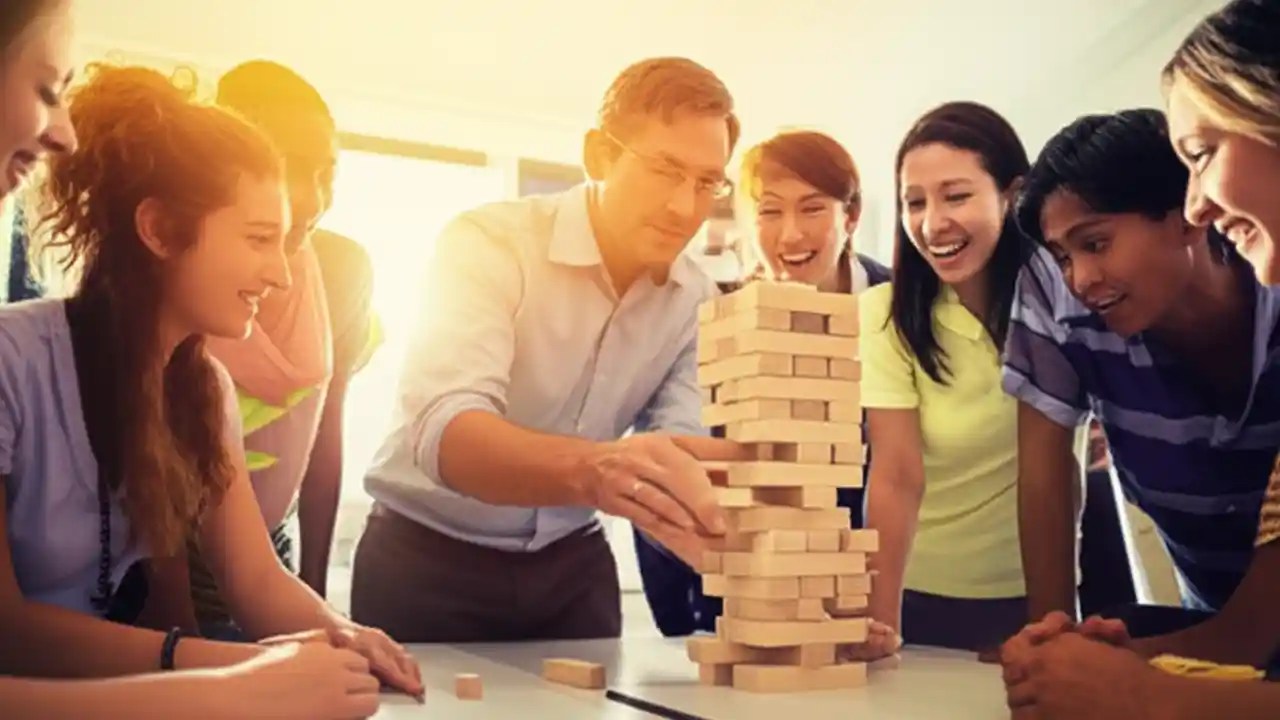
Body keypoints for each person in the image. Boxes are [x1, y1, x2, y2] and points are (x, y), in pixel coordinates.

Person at [0, 2, 383, 718]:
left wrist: (345, 639)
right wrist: (230, 670)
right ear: (160, 230)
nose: (283, 274)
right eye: (260, 238)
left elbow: (253, 577)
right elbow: (10, 630)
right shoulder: (11, 362)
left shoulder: (202, 383)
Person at [352, 56, 744, 643]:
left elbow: (679, 461)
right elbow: (447, 433)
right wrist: (598, 471)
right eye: (665, 169)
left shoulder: (697, 299)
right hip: (425, 561)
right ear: (598, 155)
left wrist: (801, 592)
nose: (685, 209)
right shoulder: (487, 242)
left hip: (573, 568)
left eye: (706, 183)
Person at [1004, 3, 1280, 718]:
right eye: (1063, 257)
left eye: (1203, 155)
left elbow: (1249, 636)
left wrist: (1137, 686)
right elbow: (1244, 639)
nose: (1198, 204)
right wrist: (1066, 649)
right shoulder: (1058, 305)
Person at [631, 129, 891, 637]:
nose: (790, 235)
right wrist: (687, 624)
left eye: (812, 209)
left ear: (851, 216)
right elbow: (669, 458)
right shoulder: (713, 319)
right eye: (769, 212)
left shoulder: (902, 309)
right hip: (744, 599)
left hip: (877, 596)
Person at [184, 60, 379, 638]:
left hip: (272, 552)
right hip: (159, 551)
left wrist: (316, 597)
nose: (313, 198)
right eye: (290, 166)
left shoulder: (344, 270)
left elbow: (324, 429)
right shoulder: (174, 269)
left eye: (327, 172)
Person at [856, 101, 1032, 657]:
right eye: (915, 202)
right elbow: (896, 474)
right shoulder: (883, 314)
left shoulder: (1055, 299)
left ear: (1012, 194)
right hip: (921, 597)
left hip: (1044, 591)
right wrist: (880, 623)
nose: (932, 224)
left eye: (956, 196)